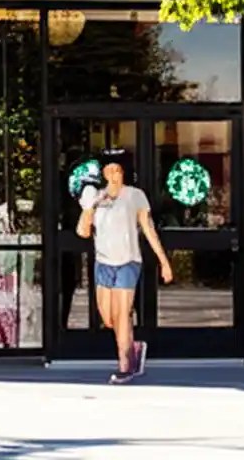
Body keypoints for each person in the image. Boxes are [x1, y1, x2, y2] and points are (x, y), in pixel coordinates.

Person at [76, 148, 172, 384]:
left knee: (122, 315)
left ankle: (125, 366)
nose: (113, 175)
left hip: (128, 262)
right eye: (109, 170)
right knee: (108, 319)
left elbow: (148, 229)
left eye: (117, 170)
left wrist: (164, 261)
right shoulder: (96, 197)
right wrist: (88, 209)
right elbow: (83, 232)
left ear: (124, 172)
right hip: (103, 262)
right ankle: (133, 345)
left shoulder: (134, 195)